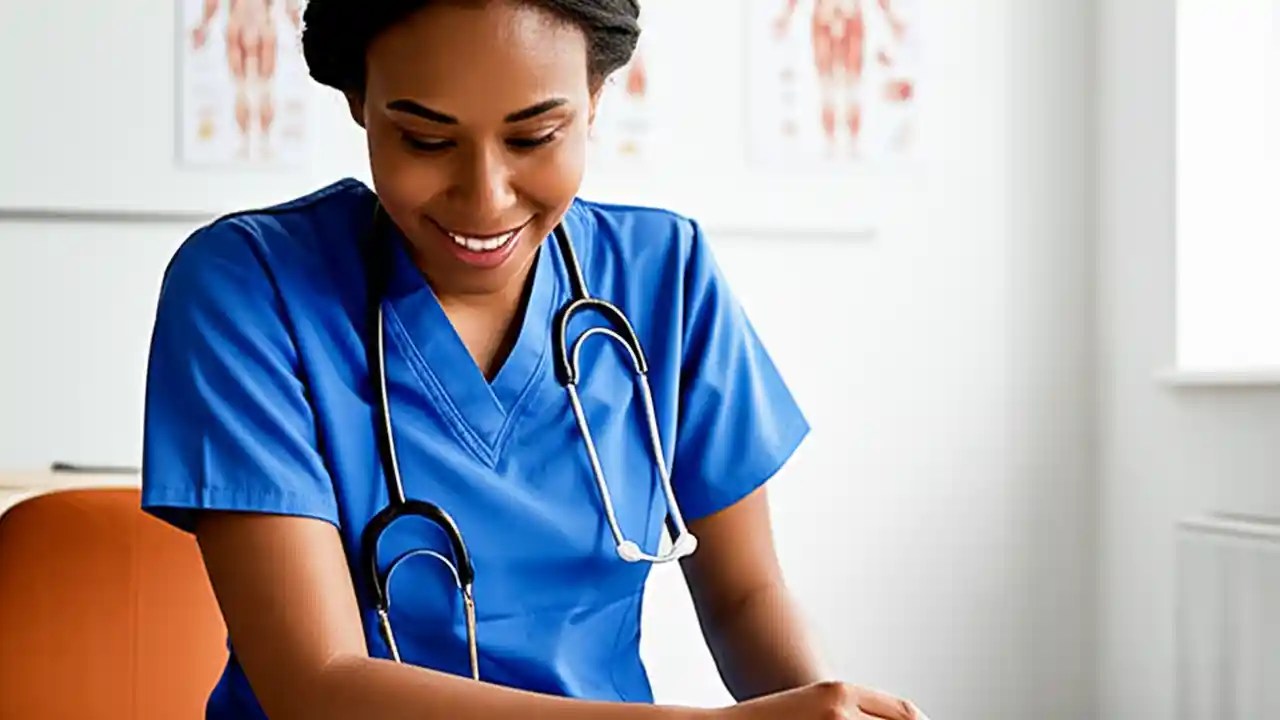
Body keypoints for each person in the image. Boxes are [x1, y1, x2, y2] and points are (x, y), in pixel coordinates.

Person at [142, 1, 929, 718]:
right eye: (425, 138)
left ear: (594, 97)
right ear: (359, 101)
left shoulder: (665, 275)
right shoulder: (250, 288)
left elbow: (745, 595)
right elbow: (315, 686)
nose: (485, 198)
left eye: (534, 137)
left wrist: (825, 707)